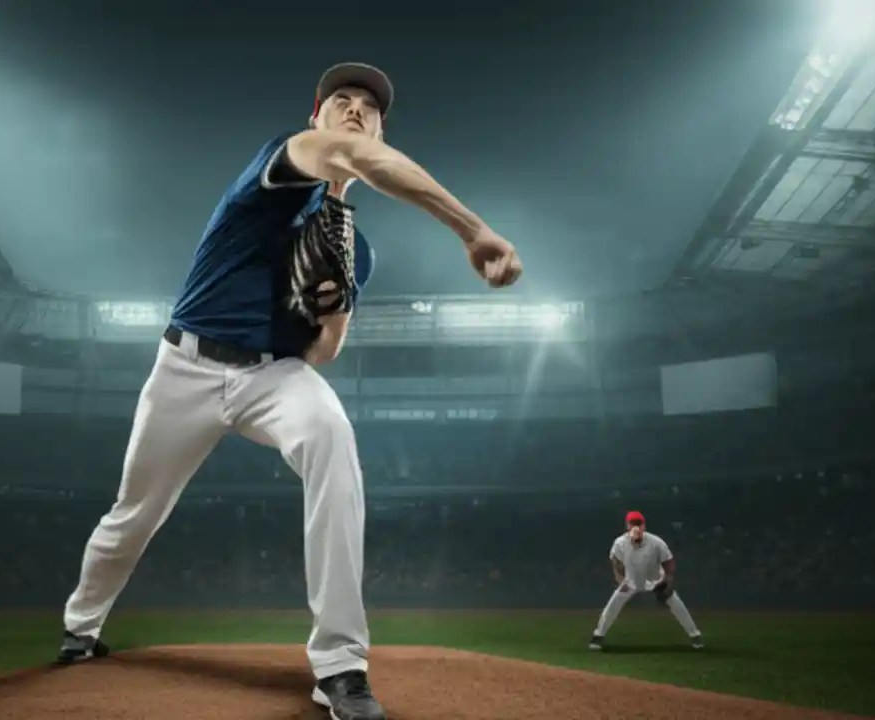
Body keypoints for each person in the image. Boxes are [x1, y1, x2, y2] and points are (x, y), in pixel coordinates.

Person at [54, 62, 523, 720]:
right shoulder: (278, 163)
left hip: (272, 374)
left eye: (369, 106)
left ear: (382, 128)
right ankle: (81, 625)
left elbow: (322, 354)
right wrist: (472, 230)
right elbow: (351, 157)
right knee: (136, 511)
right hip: (185, 366)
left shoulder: (356, 249)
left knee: (331, 435)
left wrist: (330, 307)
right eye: (341, 99)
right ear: (316, 120)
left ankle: (340, 665)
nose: (354, 108)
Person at [589, 510, 704, 651]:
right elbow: (615, 561)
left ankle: (695, 635)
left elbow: (668, 561)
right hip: (630, 581)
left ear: (644, 526)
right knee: (612, 606)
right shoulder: (620, 543)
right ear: (627, 526)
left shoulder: (656, 542)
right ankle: (598, 635)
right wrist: (620, 579)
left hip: (656, 580)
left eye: (639, 524)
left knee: (677, 605)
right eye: (633, 524)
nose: (636, 527)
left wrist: (668, 579)